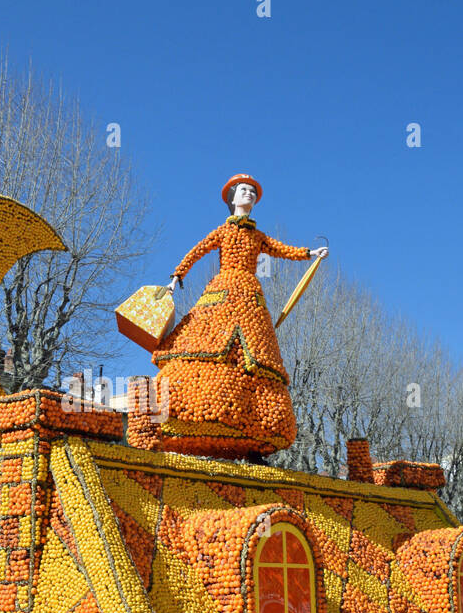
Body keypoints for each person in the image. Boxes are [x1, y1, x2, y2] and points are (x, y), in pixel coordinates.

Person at [128, 173, 329, 461]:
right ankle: (191, 416)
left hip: (249, 296)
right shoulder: (223, 232)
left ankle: (254, 434)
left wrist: (310, 253)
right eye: (243, 190)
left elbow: (280, 249)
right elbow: (197, 252)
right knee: (206, 346)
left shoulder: (257, 236)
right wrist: (176, 277)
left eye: (252, 192)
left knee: (256, 358)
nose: (249, 195)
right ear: (232, 199)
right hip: (222, 292)